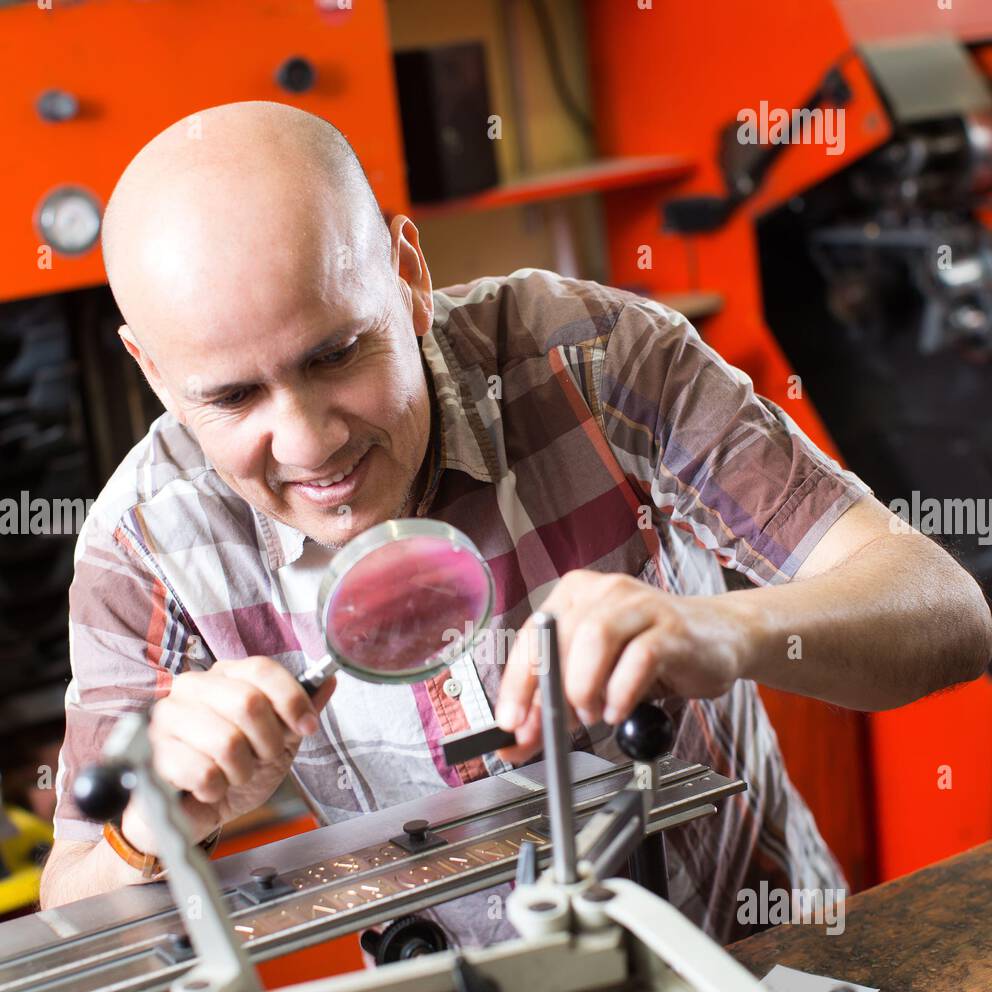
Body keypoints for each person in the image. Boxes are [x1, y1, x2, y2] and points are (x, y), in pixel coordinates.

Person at [40, 102, 992, 947]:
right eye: (234, 396)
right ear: (154, 373)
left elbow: (950, 616)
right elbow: (71, 912)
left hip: (760, 958)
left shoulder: (591, 358)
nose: (309, 442)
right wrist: (153, 820)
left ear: (407, 273)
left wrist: (726, 631)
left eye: (337, 354)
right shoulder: (145, 544)